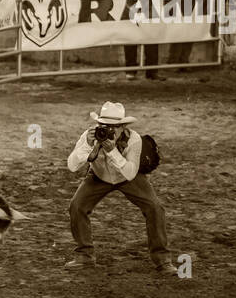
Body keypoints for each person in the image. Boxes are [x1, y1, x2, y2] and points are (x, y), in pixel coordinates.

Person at [66, 101, 174, 275]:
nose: (108, 131)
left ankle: (162, 260)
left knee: (155, 208)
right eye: (104, 126)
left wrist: (112, 152)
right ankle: (84, 256)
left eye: (114, 127)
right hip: (98, 176)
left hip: (126, 176)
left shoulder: (134, 139)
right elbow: (71, 166)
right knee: (77, 206)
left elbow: (131, 173)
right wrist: (87, 144)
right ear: (98, 125)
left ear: (123, 127)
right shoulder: (89, 135)